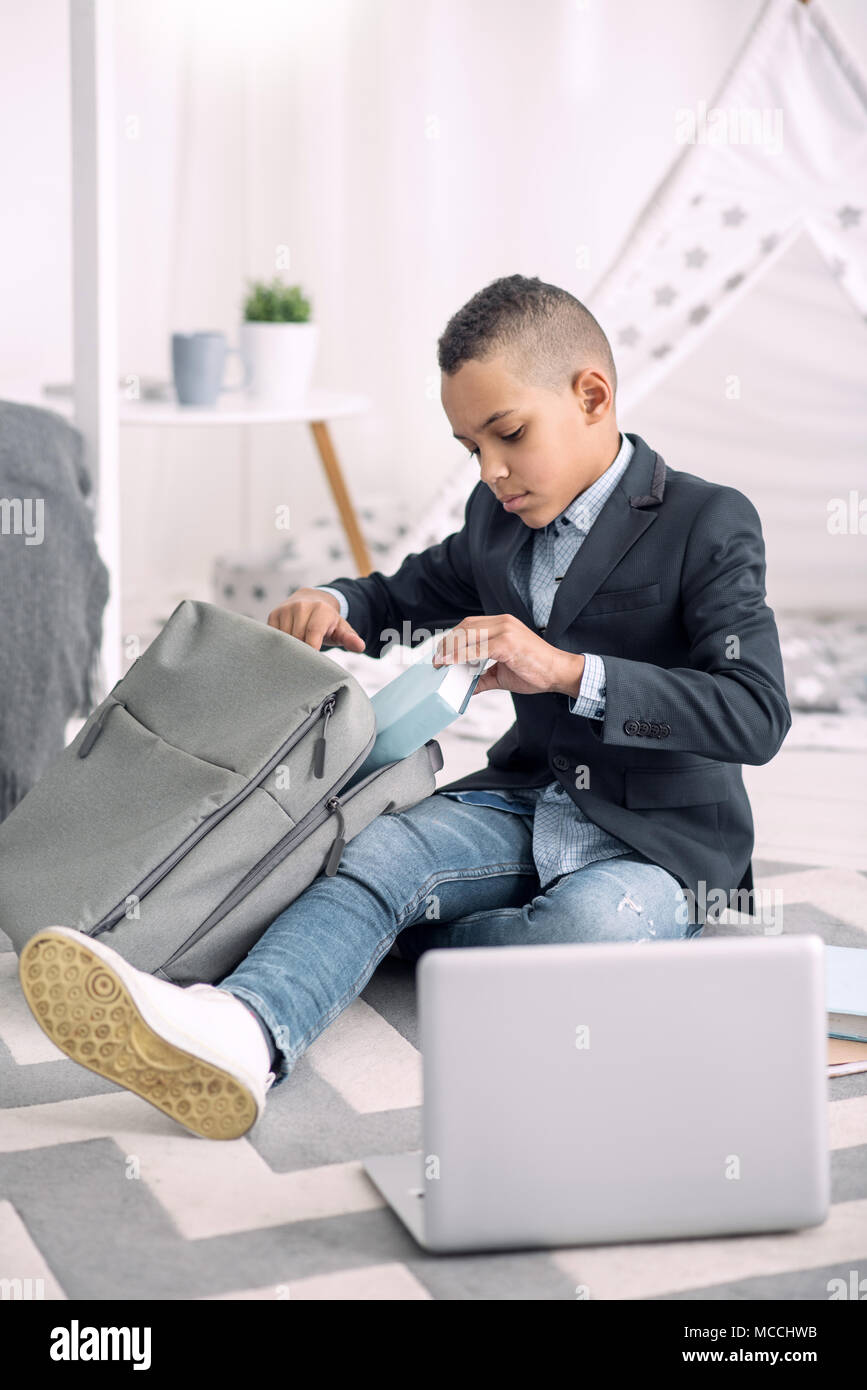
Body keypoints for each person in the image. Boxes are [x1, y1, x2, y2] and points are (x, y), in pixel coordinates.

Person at [19, 274, 791, 1142]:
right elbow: (402, 593)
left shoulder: (709, 521)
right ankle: (241, 1032)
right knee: (377, 848)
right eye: (471, 449)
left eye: (508, 435)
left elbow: (754, 713)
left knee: (581, 924)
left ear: (591, 396)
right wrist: (336, 603)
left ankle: (389, 943)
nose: (492, 470)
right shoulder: (494, 520)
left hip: (661, 841)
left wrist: (570, 672)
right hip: (527, 799)